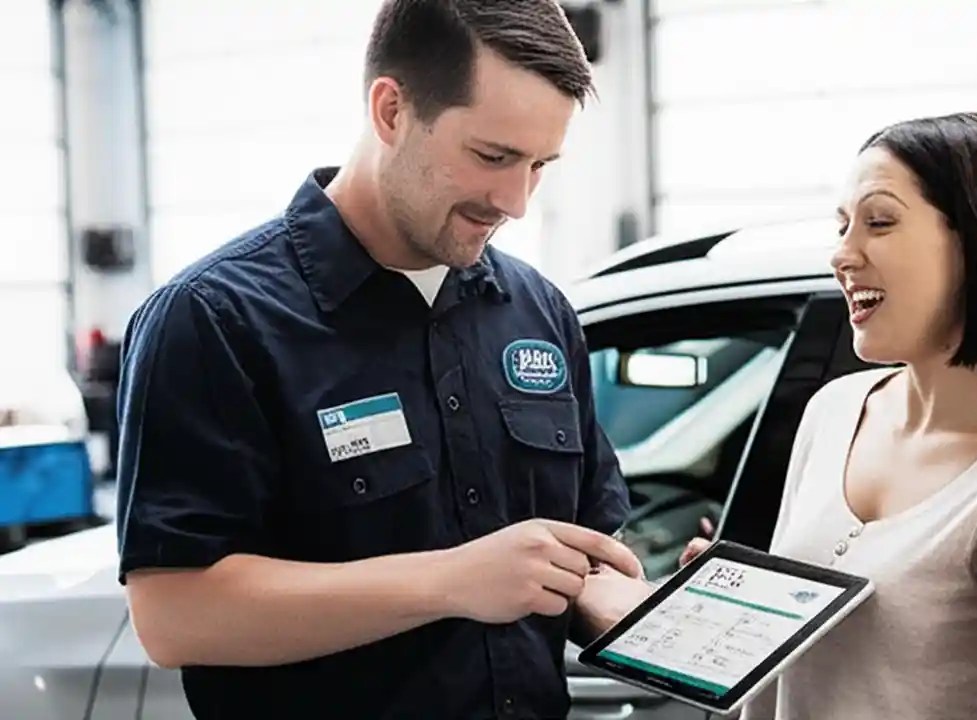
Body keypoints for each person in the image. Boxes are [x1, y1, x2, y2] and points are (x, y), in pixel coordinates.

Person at [112, 2, 643, 718]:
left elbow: (579, 553)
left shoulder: (538, 313)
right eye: (492, 157)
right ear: (391, 111)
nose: (516, 201)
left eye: (540, 164)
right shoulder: (213, 320)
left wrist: (656, 613)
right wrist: (449, 581)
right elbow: (173, 615)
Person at [674, 112, 977, 719]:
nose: (842, 255)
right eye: (843, 226)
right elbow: (781, 684)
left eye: (879, 222)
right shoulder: (833, 413)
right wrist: (727, 609)